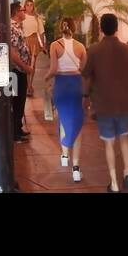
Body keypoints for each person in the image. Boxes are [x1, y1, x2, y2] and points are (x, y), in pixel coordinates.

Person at [81, 12, 128, 192]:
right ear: (116, 28)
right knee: (124, 137)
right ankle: (127, 171)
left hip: (104, 103)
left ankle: (114, 183)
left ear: (101, 28)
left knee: (108, 142)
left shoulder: (94, 50)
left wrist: (85, 97)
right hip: (125, 102)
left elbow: (86, 76)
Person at [45, 17, 87, 183]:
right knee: (77, 125)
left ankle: (64, 154)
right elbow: (84, 70)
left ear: (60, 28)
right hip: (76, 85)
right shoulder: (81, 47)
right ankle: (76, 168)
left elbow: (54, 69)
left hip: (61, 85)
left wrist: (45, 77)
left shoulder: (55, 45)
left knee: (63, 120)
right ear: (74, 28)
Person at [8, 1, 33, 142]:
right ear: (17, 12)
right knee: (15, 101)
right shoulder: (13, 27)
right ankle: (14, 132)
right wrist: (25, 67)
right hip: (15, 70)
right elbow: (12, 52)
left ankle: (18, 128)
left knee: (20, 100)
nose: (25, 12)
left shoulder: (19, 27)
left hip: (19, 70)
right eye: (23, 9)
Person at [21, 0, 45, 97]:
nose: (29, 7)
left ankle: (30, 85)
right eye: (27, 5)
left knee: (33, 64)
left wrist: (43, 44)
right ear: (25, 6)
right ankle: (27, 86)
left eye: (31, 5)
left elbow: (41, 32)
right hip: (25, 40)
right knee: (26, 63)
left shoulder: (36, 18)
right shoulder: (22, 17)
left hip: (34, 41)